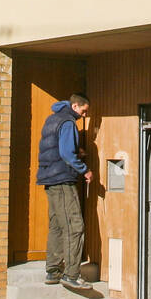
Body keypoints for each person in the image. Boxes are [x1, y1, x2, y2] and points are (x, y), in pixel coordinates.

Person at [36, 92, 93, 289]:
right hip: (62, 180)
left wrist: (76, 152)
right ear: (76, 106)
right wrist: (84, 170)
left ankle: (52, 271)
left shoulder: (52, 118)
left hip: (50, 179)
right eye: (84, 111)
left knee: (57, 226)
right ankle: (71, 274)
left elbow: (55, 148)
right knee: (74, 225)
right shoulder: (68, 122)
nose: (84, 116)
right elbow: (66, 153)